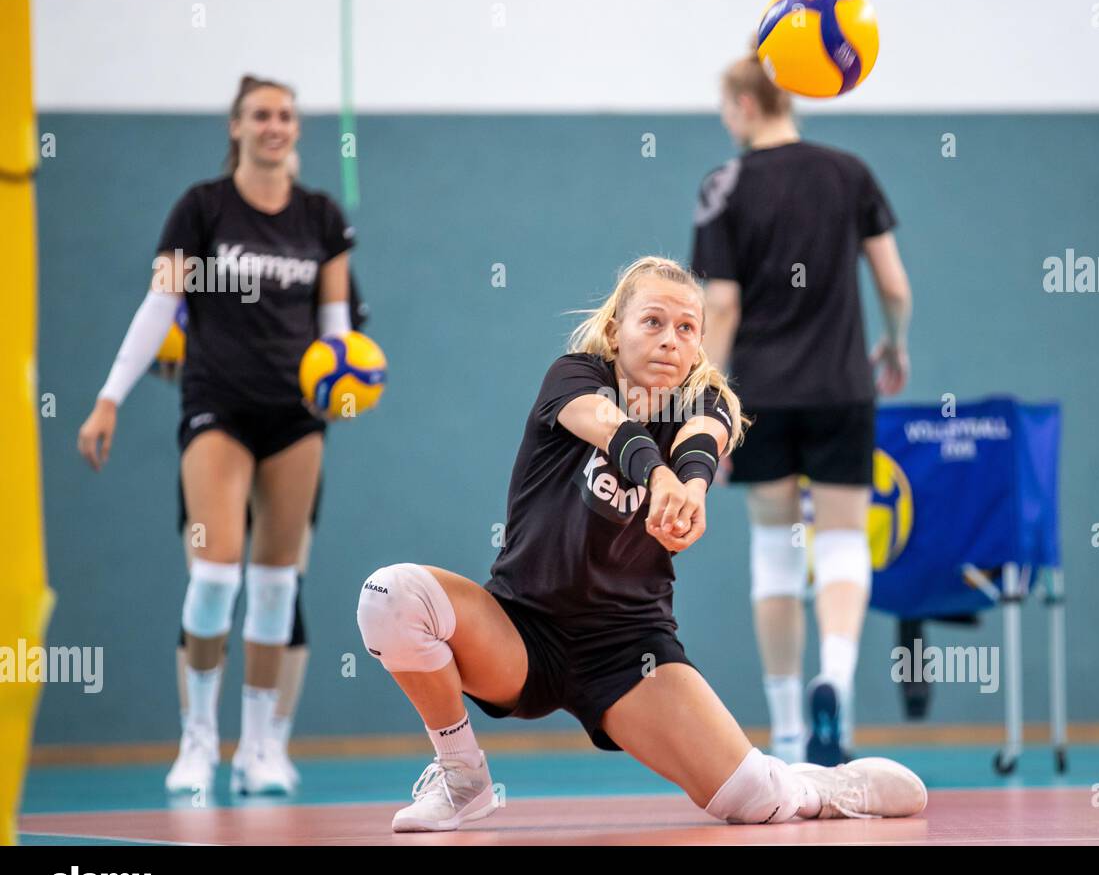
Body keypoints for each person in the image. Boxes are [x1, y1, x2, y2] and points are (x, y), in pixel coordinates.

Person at [355, 256, 925, 831]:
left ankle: (815, 783)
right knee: (391, 595)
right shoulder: (574, 377)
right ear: (615, 331)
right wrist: (659, 479)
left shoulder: (707, 401)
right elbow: (607, 424)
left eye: (686, 328)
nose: (669, 340)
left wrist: (692, 491)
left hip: (629, 652)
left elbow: (705, 439)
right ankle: (461, 778)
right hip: (521, 629)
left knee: (757, 803)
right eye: (651, 322)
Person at [77, 75, 357, 795]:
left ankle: (260, 746)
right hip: (217, 407)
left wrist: (348, 376)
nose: (275, 125)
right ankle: (197, 737)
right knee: (212, 574)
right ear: (236, 126)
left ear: (298, 128)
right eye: (260, 114)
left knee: (274, 587)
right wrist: (109, 397)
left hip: (296, 418)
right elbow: (159, 303)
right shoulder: (202, 209)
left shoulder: (322, 216)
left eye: (287, 115)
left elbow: (335, 329)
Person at [689, 48, 914, 766]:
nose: (725, 120)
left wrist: (707, 405)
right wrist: (895, 345)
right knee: (845, 542)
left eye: (726, 106)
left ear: (747, 105)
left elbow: (720, 305)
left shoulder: (722, 186)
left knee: (774, 554)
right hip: (843, 388)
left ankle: (787, 730)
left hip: (761, 398)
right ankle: (836, 685)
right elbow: (895, 285)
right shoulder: (849, 173)